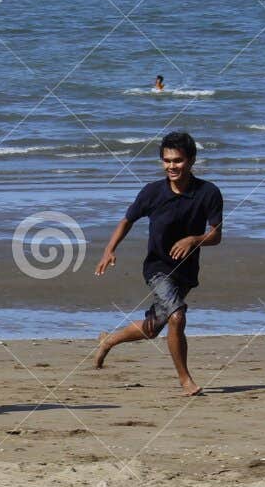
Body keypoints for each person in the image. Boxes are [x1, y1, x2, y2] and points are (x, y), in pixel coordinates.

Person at [93, 130, 224, 396]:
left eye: (178, 160)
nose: (171, 166)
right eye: (167, 160)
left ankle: (108, 340)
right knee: (177, 316)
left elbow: (216, 235)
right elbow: (127, 220)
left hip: (185, 271)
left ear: (191, 160)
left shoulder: (208, 192)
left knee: (153, 328)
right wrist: (109, 249)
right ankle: (186, 381)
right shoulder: (152, 192)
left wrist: (194, 240)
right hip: (157, 268)